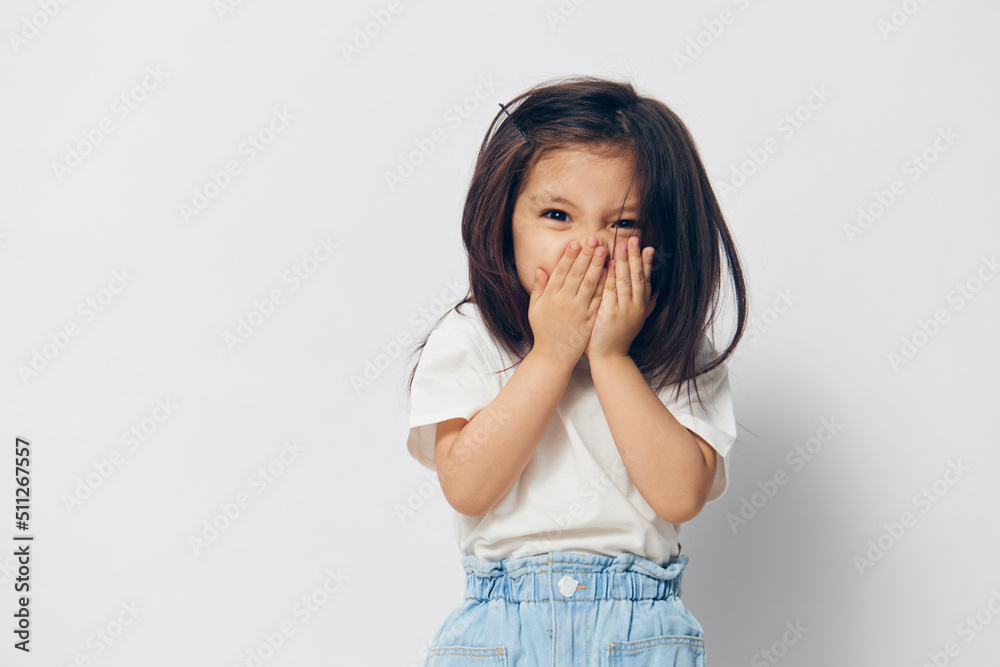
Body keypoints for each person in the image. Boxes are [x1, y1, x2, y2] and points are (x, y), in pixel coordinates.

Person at [403, 75, 748, 666]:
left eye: (622, 224)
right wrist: (551, 354)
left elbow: (679, 494)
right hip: (501, 625)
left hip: (638, 626)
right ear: (503, 222)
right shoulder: (469, 341)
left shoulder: (677, 351)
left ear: (664, 240)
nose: (586, 248)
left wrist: (610, 357)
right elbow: (467, 486)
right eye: (557, 214)